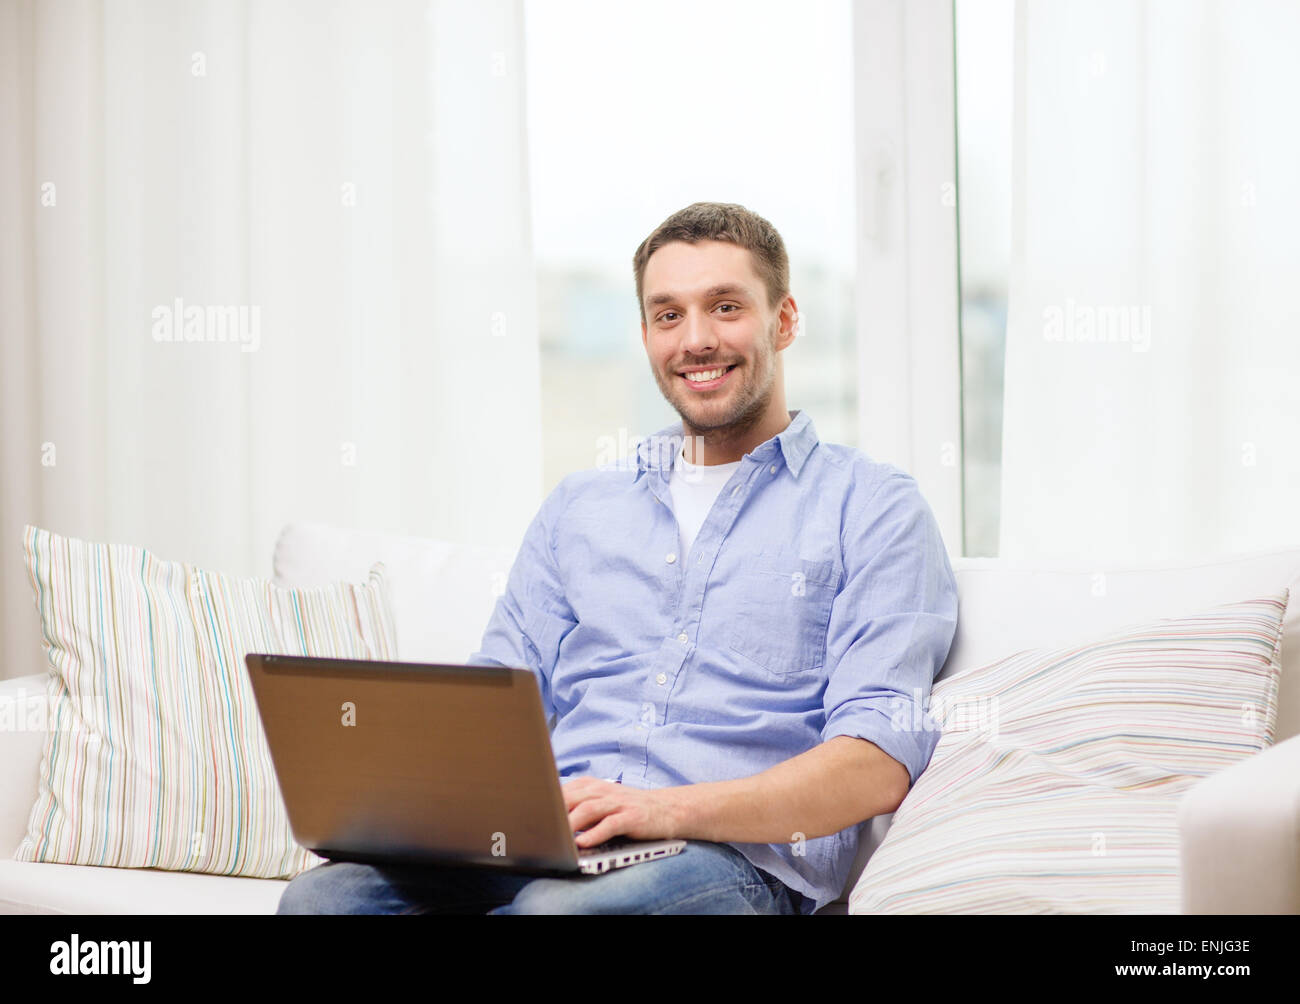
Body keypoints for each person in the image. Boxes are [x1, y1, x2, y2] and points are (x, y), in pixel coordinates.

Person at [277, 201, 958, 915]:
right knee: (325, 902)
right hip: (544, 848)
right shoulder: (580, 509)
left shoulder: (872, 507)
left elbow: (875, 762)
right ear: (644, 334)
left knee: (555, 915)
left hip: (729, 863)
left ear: (784, 321)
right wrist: (401, 813)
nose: (695, 339)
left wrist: (665, 812)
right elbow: (494, 706)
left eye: (725, 307)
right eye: (668, 316)